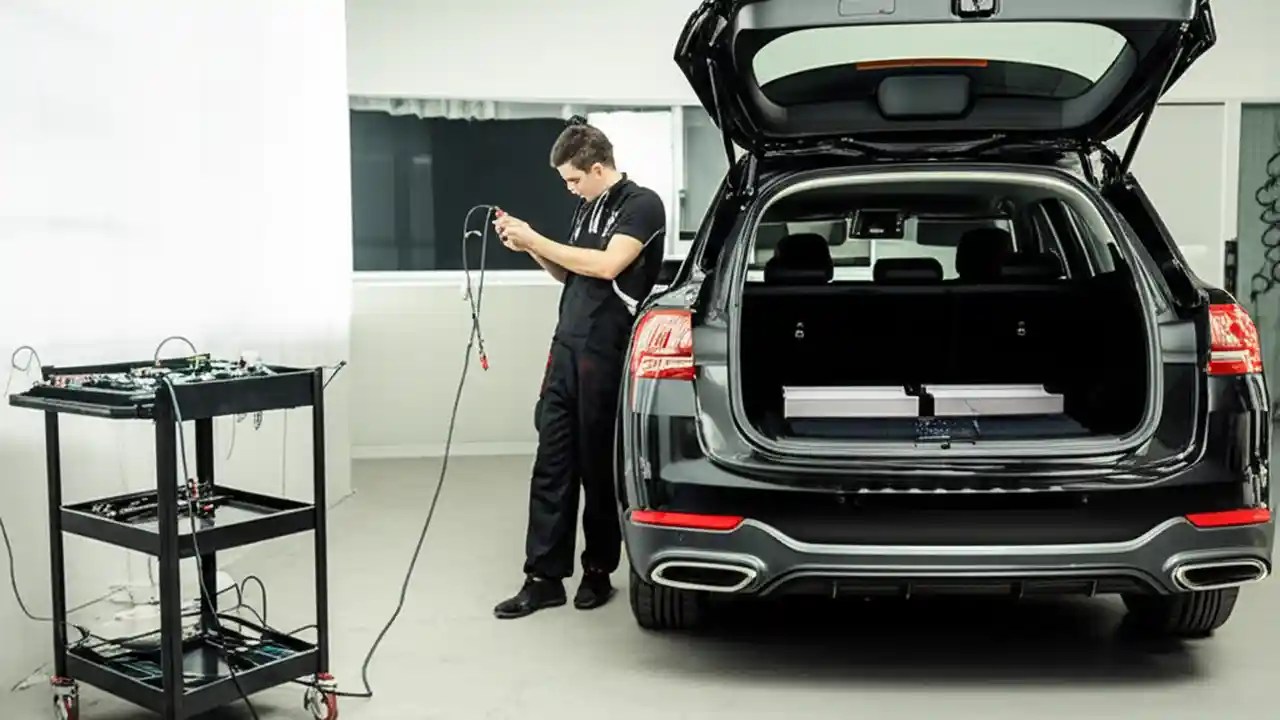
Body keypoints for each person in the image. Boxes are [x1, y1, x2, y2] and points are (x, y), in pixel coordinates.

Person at [491, 117, 666, 619]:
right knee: (552, 460)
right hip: (566, 343)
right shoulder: (585, 207)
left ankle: (597, 571)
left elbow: (608, 266)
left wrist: (536, 237)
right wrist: (530, 247)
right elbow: (569, 269)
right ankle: (543, 576)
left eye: (573, 179)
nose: (570, 189)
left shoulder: (642, 205)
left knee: (597, 465)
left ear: (596, 167)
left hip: (605, 350)